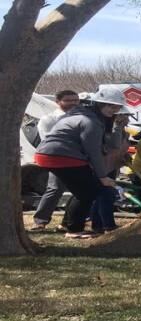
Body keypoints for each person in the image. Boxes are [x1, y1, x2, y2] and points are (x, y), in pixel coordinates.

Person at [33, 87, 124, 239]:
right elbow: (93, 152)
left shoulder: (79, 114)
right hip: (62, 155)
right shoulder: (91, 121)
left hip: (47, 154)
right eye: (110, 106)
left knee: (81, 191)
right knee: (89, 191)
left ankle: (67, 224)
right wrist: (102, 176)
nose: (114, 110)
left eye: (117, 107)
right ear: (99, 104)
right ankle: (74, 229)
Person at [30, 89, 80, 231]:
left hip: (80, 159)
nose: (73, 103)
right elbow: (50, 142)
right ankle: (40, 221)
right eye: (68, 100)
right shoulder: (49, 120)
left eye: (75, 100)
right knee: (55, 188)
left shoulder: (83, 117)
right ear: (57, 102)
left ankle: (66, 223)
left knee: (81, 192)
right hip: (59, 159)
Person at [90, 106, 132, 233]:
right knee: (105, 196)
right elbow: (114, 145)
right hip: (102, 168)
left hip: (112, 167)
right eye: (123, 116)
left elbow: (120, 148)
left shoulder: (125, 132)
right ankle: (107, 225)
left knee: (104, 197)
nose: (126, 119)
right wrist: (117, 127)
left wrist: (125, 155)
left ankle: (98, 225)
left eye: (127, 116)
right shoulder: (107, 130)